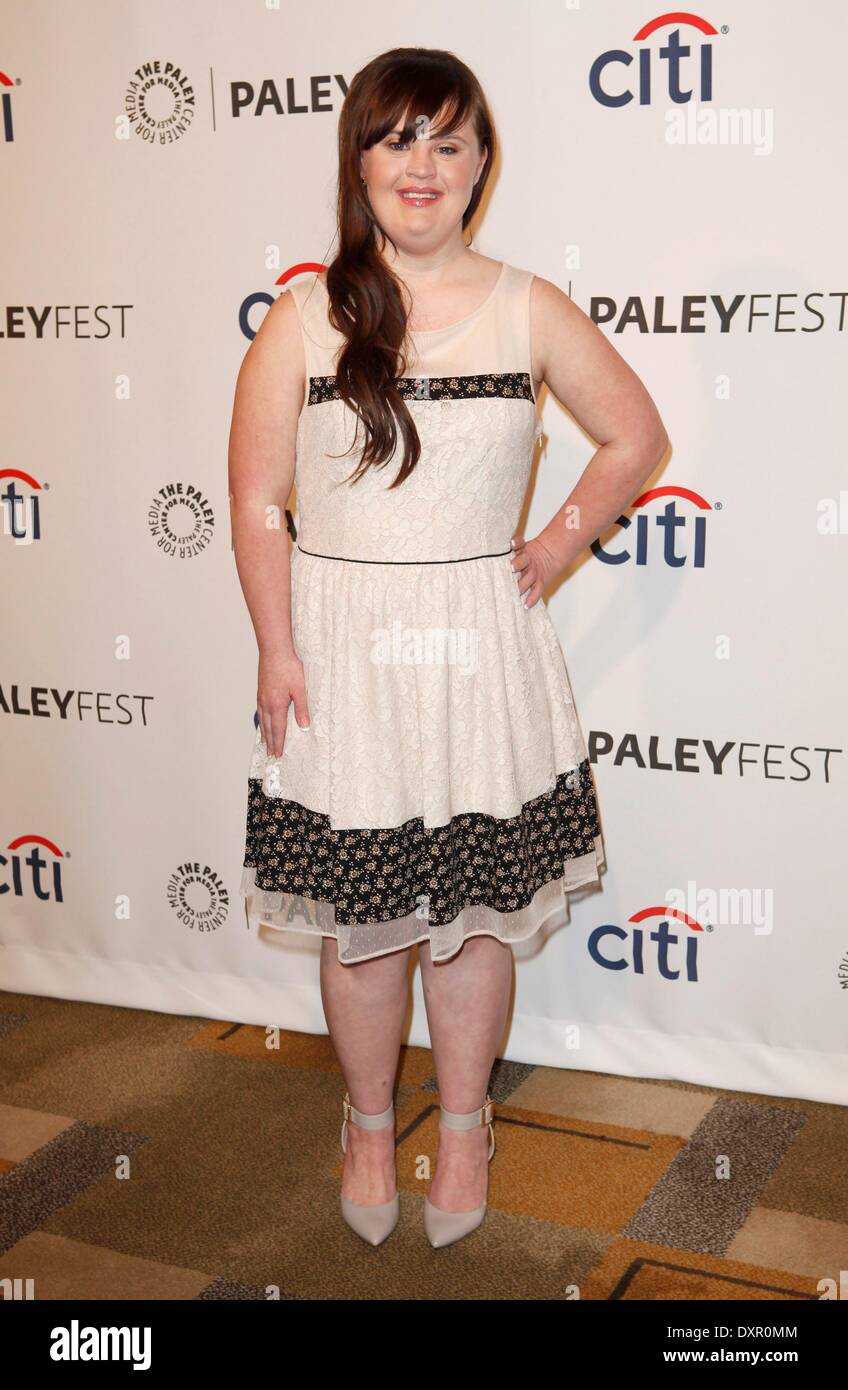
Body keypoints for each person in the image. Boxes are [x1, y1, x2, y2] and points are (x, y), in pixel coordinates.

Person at [228, 46, 668, 1250]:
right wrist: (275, 647)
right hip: (343, 654)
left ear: (481, 163)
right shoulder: (308, 315)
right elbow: (260, 500)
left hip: (478, 650)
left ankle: (464, 1126)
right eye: (394, 139)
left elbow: (630, 435)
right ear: (356, 161)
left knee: (471, 920)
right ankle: (369, 1123)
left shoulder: (528, 304)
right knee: (361, 925)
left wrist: (553, 546)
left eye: (446, 140)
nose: (419, 166)